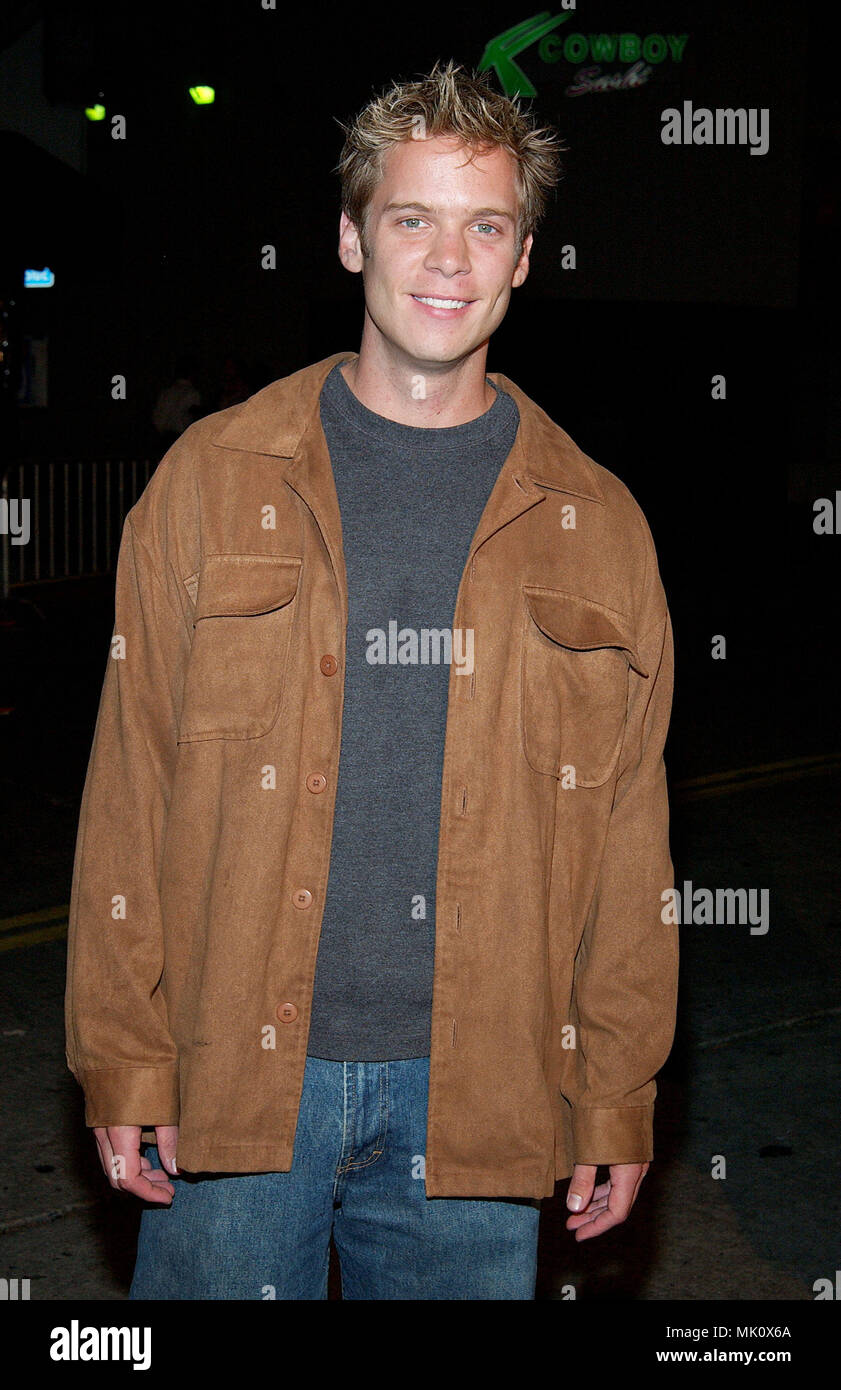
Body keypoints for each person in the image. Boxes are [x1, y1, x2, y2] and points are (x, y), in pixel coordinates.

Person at [65, 59, 678, 1301]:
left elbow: (628, 839)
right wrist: (125, 1057)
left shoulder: (597, 521)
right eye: (412, 217)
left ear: (522, 258)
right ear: (350, 240)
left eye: (485, 224)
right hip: (238, 1082)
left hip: (482, 1098)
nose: (447, 258)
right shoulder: (211, 477)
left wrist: (614, 1089)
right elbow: (130, 781)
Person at [151, 356, 201, 457]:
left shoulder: (166, 393)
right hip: (180, 439)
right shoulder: (192, 393)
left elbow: (157, 417)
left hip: (165, 439)